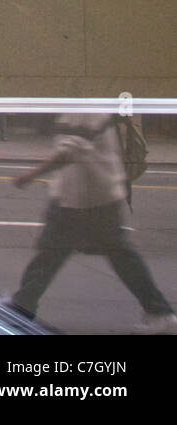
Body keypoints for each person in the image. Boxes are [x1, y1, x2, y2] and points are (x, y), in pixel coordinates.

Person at [9, 113, 177, 332]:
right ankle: (22, 305)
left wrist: (30, 176)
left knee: (58, 254)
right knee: (53, 254)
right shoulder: (75, 102)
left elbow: (71, 150)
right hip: (76, 194)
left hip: (93, 197)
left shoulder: (88, 106)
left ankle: (22, 307)